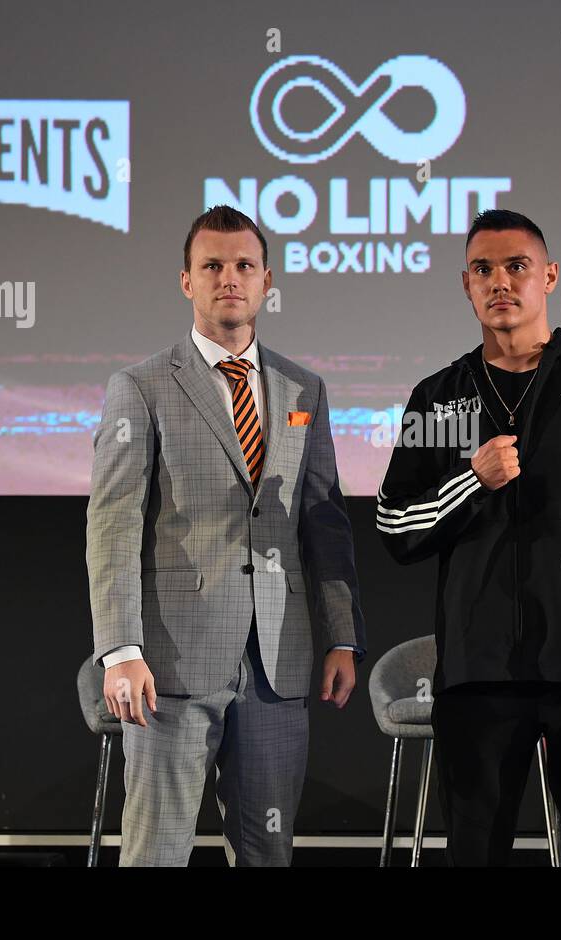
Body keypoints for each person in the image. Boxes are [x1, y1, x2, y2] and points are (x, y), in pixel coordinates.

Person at [376, 209, 561, 866]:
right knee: (475, 853)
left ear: (549, 276)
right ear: (466, 285)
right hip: (477, 678)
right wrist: (470, 480)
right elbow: (395, 527)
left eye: (516, 266)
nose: (500, 282)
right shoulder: (439, 396)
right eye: (483, 269)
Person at [86, 205, 365, 866]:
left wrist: (343, 635)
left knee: (269, 850)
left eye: (243, 265)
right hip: (172, 663)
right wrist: (119, 649)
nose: (228, 278)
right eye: (212, 266)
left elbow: (325, 521)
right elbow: (113, 526)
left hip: (279, 662)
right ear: (187, 280)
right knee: (157, 852)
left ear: (267, 278)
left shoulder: (306, 389)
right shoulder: (141, 388)